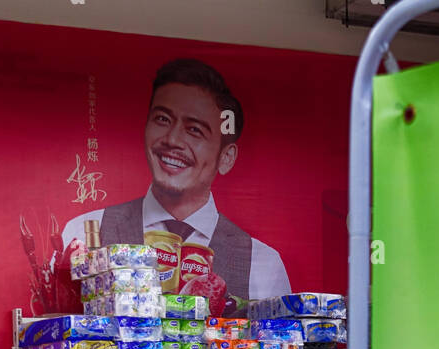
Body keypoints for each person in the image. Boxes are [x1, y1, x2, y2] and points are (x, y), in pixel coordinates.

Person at [62, 57, 291, 304]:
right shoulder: (84, 230)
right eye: (162, 119)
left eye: (195, 130)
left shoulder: (262, 263)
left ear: (226, 157)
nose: (172, 140)